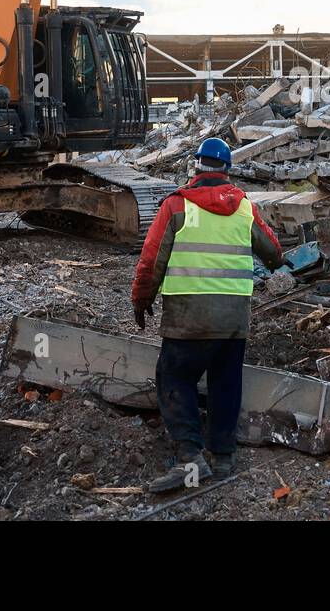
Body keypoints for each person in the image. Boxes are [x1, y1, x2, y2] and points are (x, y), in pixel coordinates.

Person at [130, 136, 284, 492]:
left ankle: (190, 455)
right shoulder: (245, 207)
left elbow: (152, 260)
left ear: (196, 165)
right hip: (233, 320)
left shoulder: (176, 206)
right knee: (225, 382)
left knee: (175, 378)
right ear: (228, 170)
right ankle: (224, 456)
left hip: (187, 317)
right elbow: (274, 252)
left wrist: (141, 300)